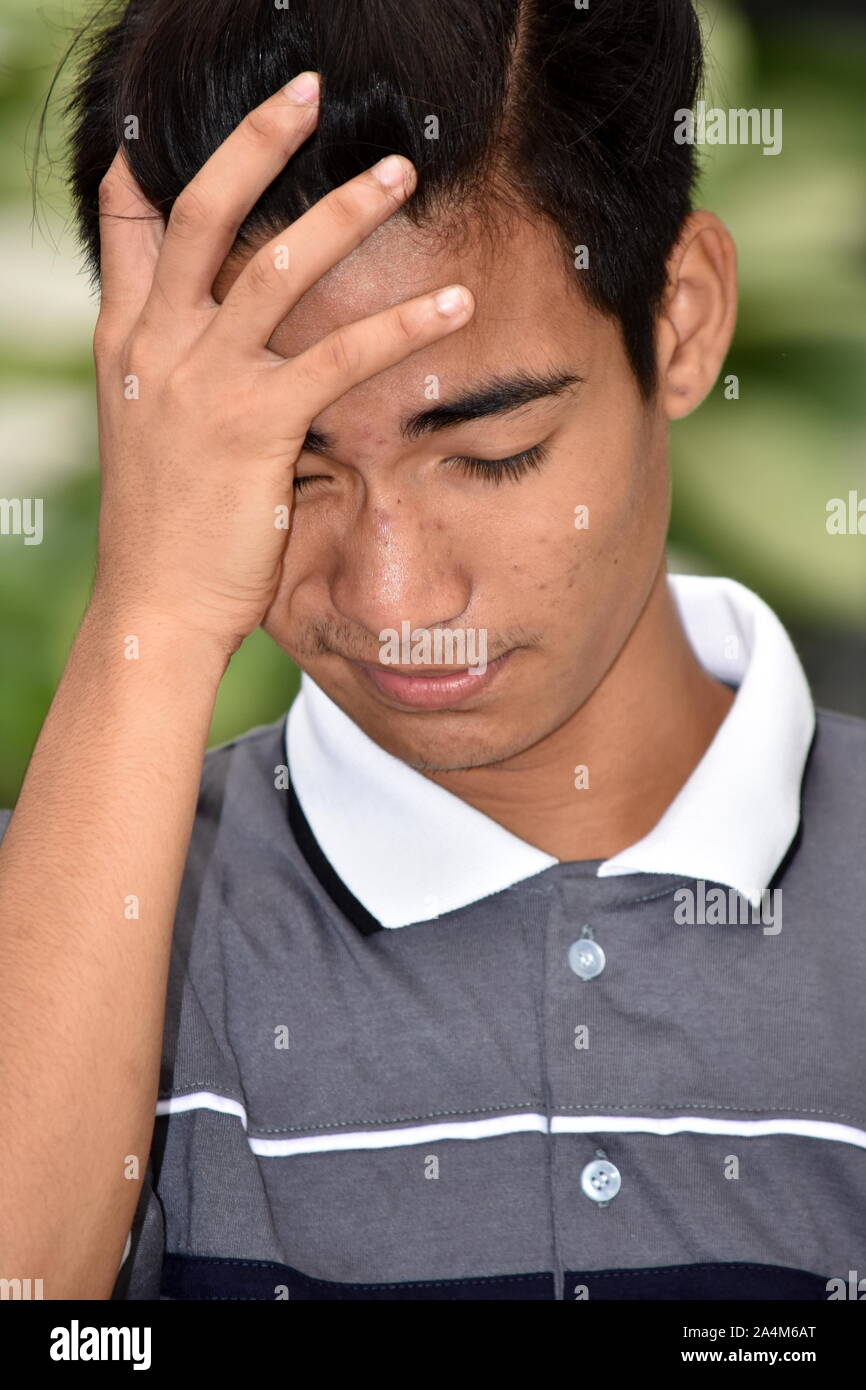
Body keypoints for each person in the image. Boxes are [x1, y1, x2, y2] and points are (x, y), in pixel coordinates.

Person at [0, 0, 863, 1302]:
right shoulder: (67, 925)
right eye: (286, 469)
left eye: (489, 452)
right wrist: (152, 612)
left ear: (679, 320)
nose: (395, 591)